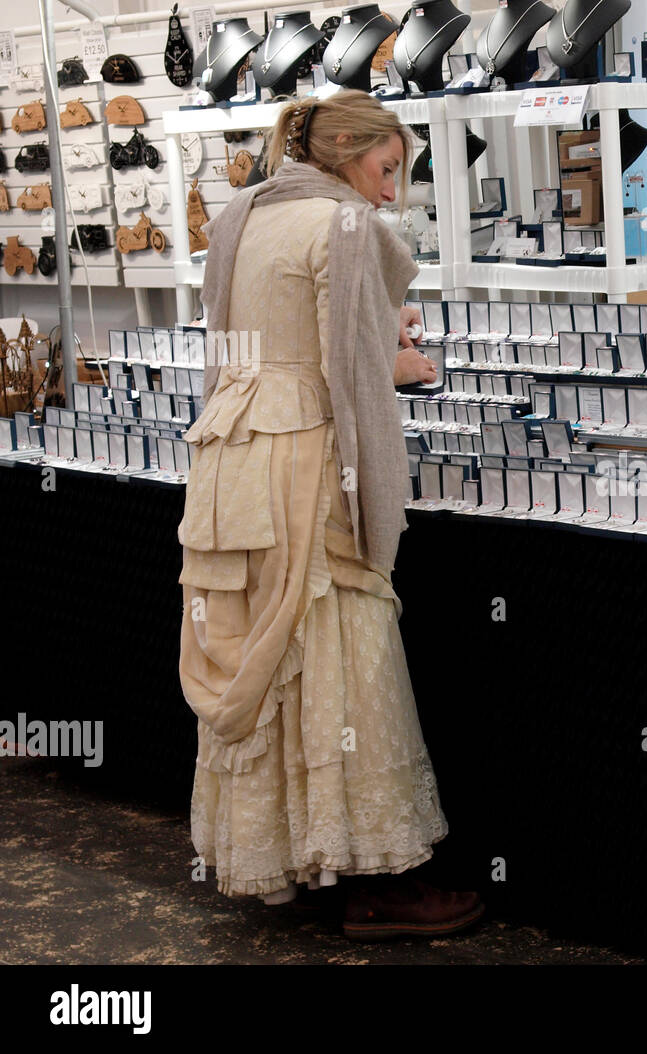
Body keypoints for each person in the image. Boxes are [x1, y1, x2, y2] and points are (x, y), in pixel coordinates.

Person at [177, 89, 482, 939]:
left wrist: (373, 336)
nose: (391, 195)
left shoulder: (242, 213)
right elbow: (351, 379)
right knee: (341, 646)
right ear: (351, 155)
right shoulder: (344, 226)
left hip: (232, 457)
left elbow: (241, 342)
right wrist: (408, 368)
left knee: (275, 661)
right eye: (388, 172)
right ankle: (372, 882)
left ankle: (292, 862)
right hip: (307, 458)